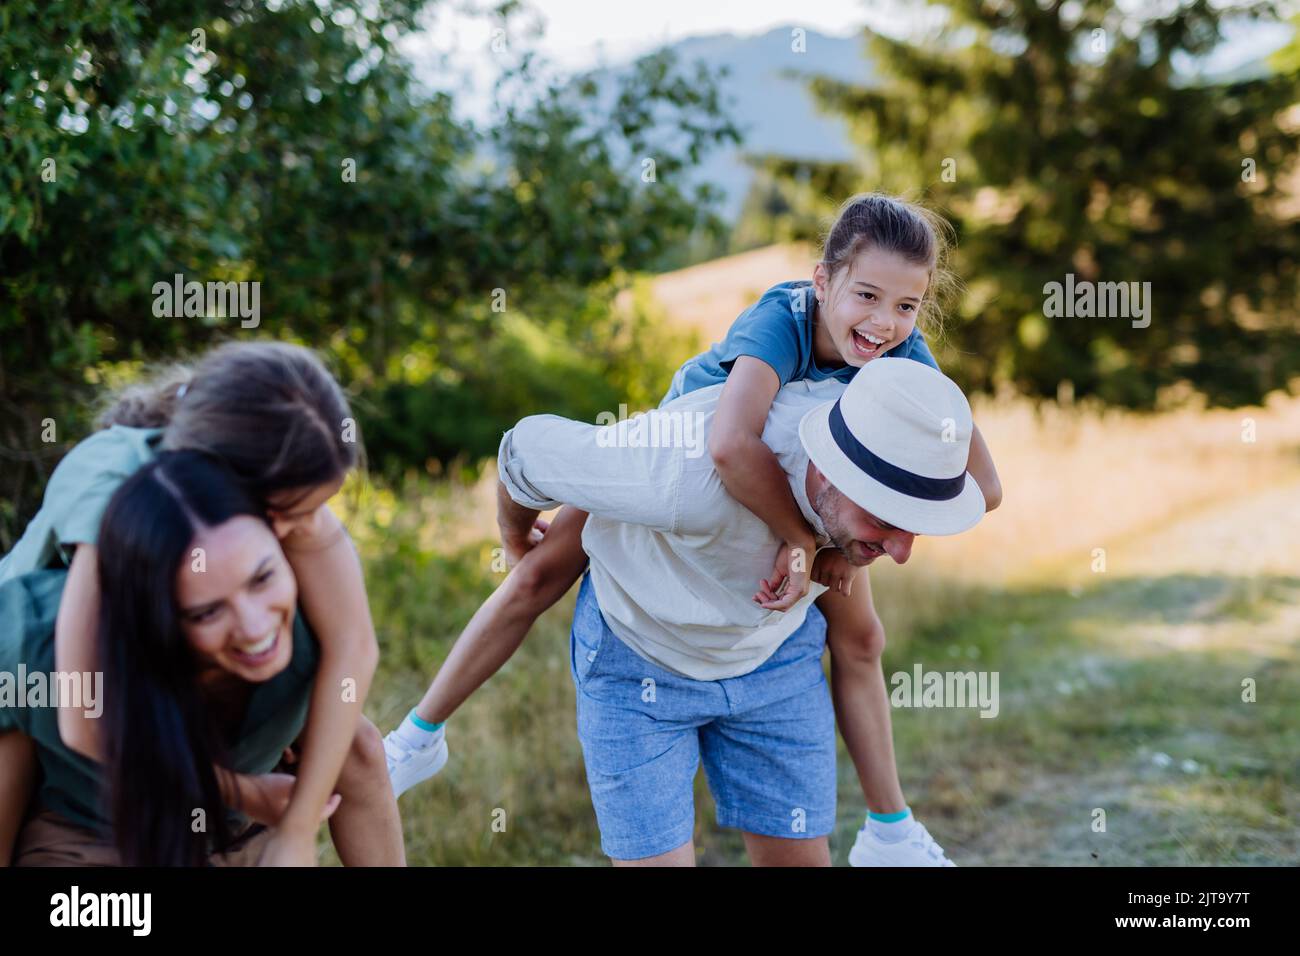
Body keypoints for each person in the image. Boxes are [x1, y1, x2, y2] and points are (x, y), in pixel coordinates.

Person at [386, 193, 1001, 865]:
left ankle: (892, 829)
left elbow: (980, 487)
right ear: (822, 282)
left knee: (862, 633)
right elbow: (731, 446)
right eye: (868, 297)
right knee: (539, 572)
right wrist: (800, 541)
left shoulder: (903, 353)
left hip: (793, 526)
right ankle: (421, 734)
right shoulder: (781, 320)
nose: (884, 323)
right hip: (685, 439)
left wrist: (845, 550)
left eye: (906, 307)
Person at [495, 358, 987, 864]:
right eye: (886, 518)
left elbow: (864, 639)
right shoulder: (679, 474)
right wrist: (514, 537)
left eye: (914, 526)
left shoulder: (883, 448)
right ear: (826, 470)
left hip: (772, 657)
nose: (902, 554)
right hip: (639, 659)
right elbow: (528, 449)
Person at [0, 342, 401, 866]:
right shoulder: (115, 496)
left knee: (353, 742)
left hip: (198, 661)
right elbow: (82, 715)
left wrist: (298, 829)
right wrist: (241, 792)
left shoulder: (281, 493)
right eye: (283, 514)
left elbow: (354, 644)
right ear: (223, 479)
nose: (298, 534)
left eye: (315, 508)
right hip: (46, 686)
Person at [2, 452, 337, 865]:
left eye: (262, 577)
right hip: (91, 835)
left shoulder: (307, 622)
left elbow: (359, 754)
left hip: (238, 835)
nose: (254, 627)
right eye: (206, 612)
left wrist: (297, 832)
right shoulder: (36, 645)